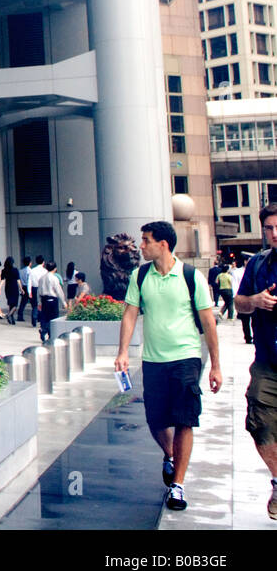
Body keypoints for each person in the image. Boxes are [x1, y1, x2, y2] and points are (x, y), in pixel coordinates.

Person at [115, 220, 221, 513]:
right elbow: (129, 315)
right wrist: (123, 352)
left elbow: (208, 323)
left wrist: (215, 366)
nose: (142, 245)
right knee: (156, 419)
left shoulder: (190, 276)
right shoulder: (140, 276)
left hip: (186, 358)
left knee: (185, 419)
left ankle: (178, 484)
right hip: (153, 359)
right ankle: (170, 454)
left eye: (146, 240)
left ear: (163, 244)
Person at [233, 203, 277, 519]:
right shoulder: (258, 264)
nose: (275, 234)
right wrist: (256, 301)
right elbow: (239, 303)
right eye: (269, 228)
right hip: (268, 360)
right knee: (259, 423)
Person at [36, 261, 65, 342]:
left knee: (45, 317)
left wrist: (39, 302)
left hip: (44, 299)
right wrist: (64, 302)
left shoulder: (42, 278)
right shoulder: (54, 278)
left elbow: (39, 290)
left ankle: (44, 330)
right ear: (55, 269)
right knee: (53, 318)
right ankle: (48, 333)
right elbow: (59, 291)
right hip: (52, 300)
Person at [2, 256, 21, 324]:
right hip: (14, 288)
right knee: (15, 305)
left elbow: (2, 280)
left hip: (7, 288)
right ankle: (9, 315)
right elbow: (18, 280)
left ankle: (12, 319)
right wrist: (21, 289)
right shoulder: (15, 270)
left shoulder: (4, 270)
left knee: (10, 304)